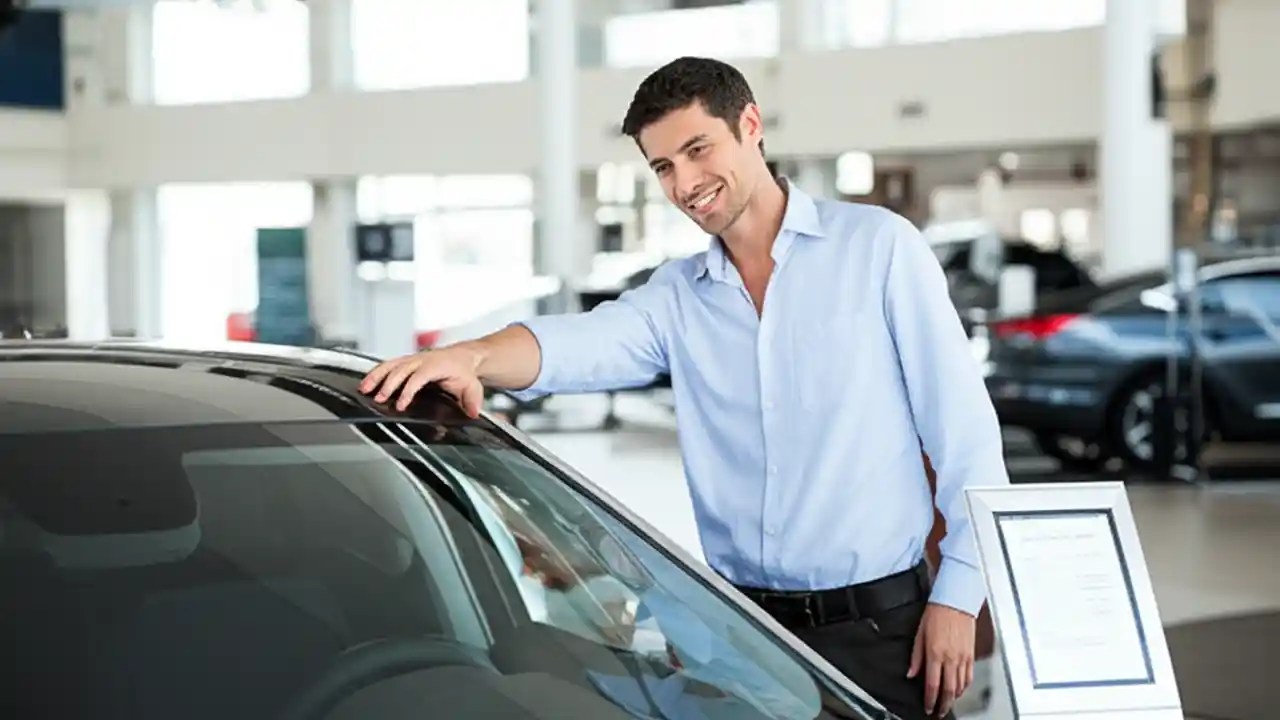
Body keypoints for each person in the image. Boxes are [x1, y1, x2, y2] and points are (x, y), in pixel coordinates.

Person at [360, 56, 1010, 720]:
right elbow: (579, 343)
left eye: (698, 150)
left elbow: (968, 441)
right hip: (741, 641)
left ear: (750, 125)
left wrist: (959, 598)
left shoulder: (877, 250)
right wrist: (472, 356)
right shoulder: (678, 296)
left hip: (882, 631)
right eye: (663, 167)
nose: (685, 183)